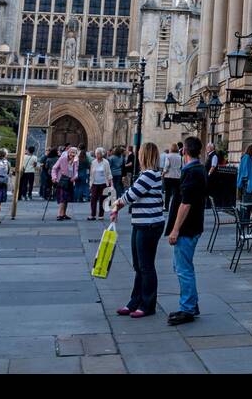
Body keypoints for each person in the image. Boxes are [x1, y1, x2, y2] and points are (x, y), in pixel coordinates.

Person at [111, 142, 165, 318]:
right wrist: (117, 206)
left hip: (149, 224)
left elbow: (130, 195)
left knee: (146, 266)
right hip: (143, 223)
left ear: (144, 156)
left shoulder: (148, 175)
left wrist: (116, 206)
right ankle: (135, 301)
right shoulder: (149, 175)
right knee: (139, 265)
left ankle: (148, 304)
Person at [166, 136, 208, 325]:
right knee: (182, 266)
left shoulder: (192, 171)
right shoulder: (199, 169)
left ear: (184, 151)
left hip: (187, 228)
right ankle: (191, 304)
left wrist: (175, 230)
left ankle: (188, 308)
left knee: (183, 269)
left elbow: (186, 204)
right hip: (194, 225)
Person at [52, 146, 79, 221]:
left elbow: (76, 171)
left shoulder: (76, 161)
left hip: (70, 181)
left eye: (74, 153)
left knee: (67, 198)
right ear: (68, 152)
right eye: (71, 152)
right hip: (62, 180)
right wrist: (54, 177)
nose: (72, 154)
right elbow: (54, 168)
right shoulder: (62, 159)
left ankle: (64, 214)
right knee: (62, 198)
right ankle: (59, 214)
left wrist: (75, 177)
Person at [88, 147, 111, 221]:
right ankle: (93, 215)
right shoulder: (93, 162)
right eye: (96, 154)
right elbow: (91, 174)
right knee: (93, 199)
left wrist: (111, 183)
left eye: (99, 153)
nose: (97, 155)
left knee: (102, 199)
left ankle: (101, 215)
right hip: (94, 183)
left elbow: (109, 173)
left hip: (103, 183)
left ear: (102, 154)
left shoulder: (106, 162)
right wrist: (90, 183)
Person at [161, 143, 183, 212]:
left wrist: (163, 173)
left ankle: (166, 207)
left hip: (168, 176)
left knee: (167, 193)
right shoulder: (180, 157)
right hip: (177, 176)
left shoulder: (168, 156)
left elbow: (167, 166)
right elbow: (182, 167)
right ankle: (176, 207)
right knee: (176, 193)